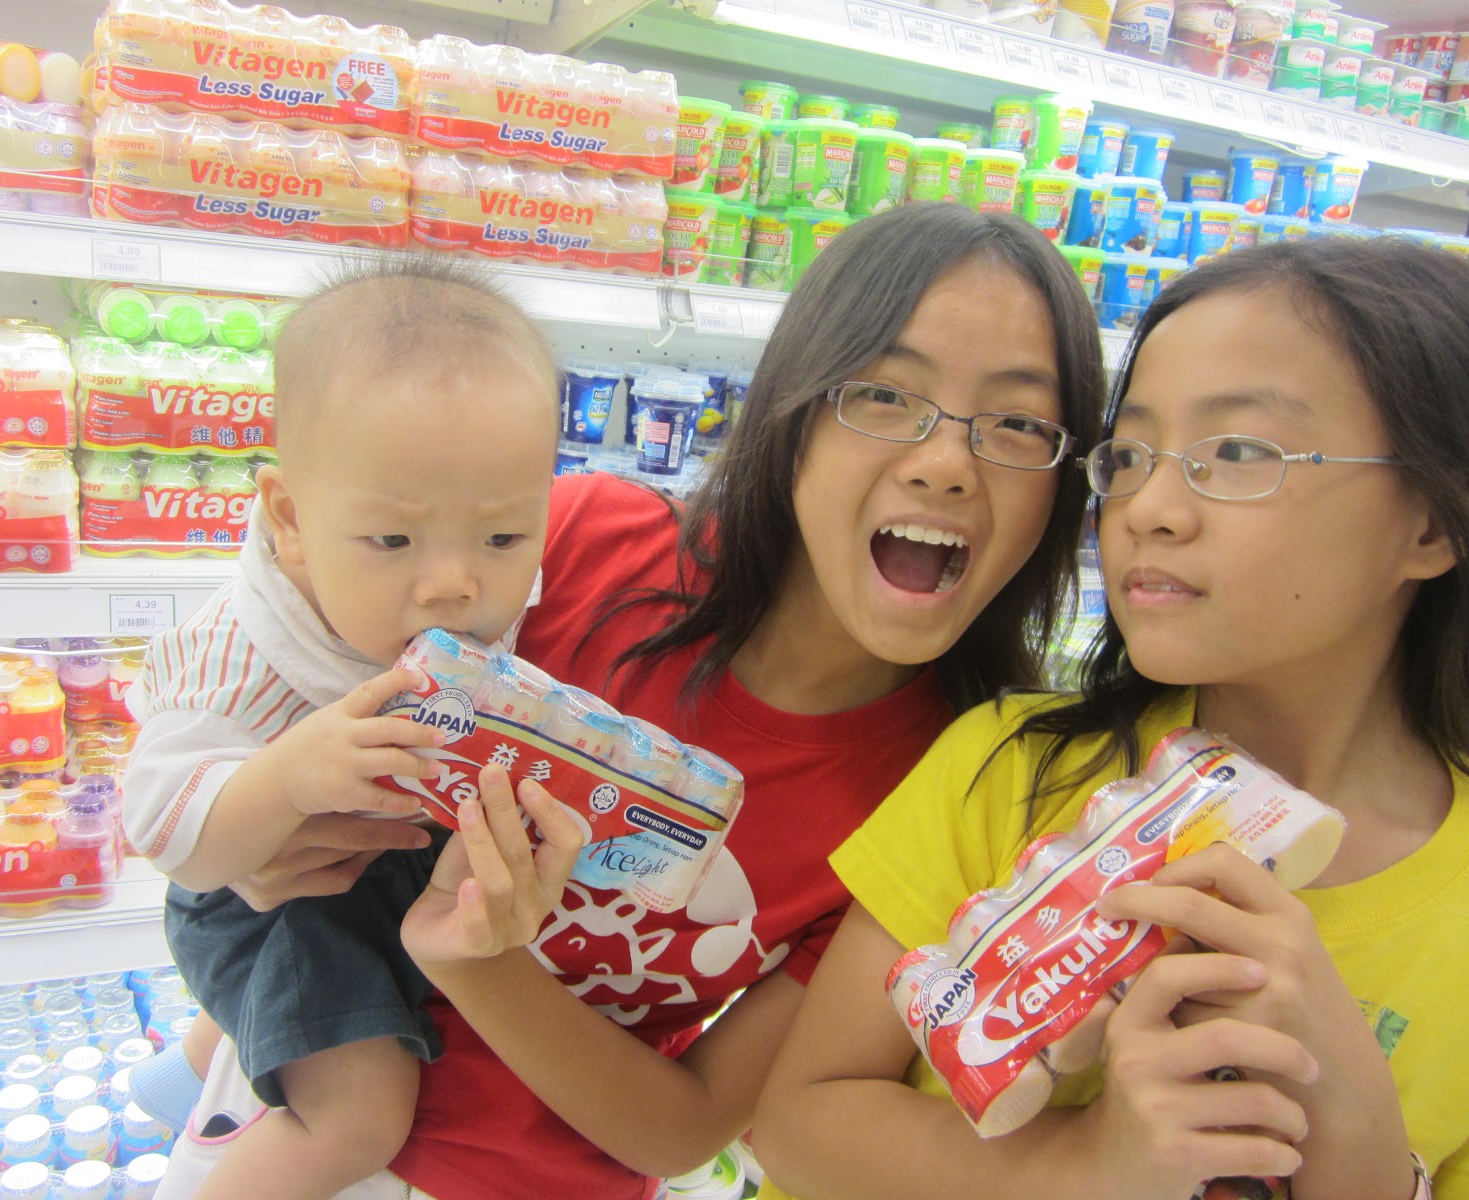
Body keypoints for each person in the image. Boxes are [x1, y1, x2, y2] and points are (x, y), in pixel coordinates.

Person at [155, 201, 1107, 1200]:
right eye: (883, 394)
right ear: (793, 412)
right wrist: (262, 845)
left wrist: (477, 959)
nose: (944, 464)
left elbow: (685, 1125)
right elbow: (272, 696)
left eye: (1015, 424)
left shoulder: (942, 794)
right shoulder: (571, 545)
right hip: (297, 1135)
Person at [752, 235, 1469, 1200]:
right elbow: (798, 1123)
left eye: (1239, 452)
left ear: (1429, 520)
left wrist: (1366, 1152)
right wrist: (1085, 1162)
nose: (1149, 510)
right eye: (1128, 455)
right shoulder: (1011, 771)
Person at [120, 257, 568, 1200]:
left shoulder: (463, 603)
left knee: (290, 1028)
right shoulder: (239, 657)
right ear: (288, 517)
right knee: (362, 1113)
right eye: (394, 541)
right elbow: (169, 841)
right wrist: (286, 777)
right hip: (271, 899)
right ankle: (209, 1170)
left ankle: (184, 1075)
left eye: (502, 538)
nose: (456, 583)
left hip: (381, 876)